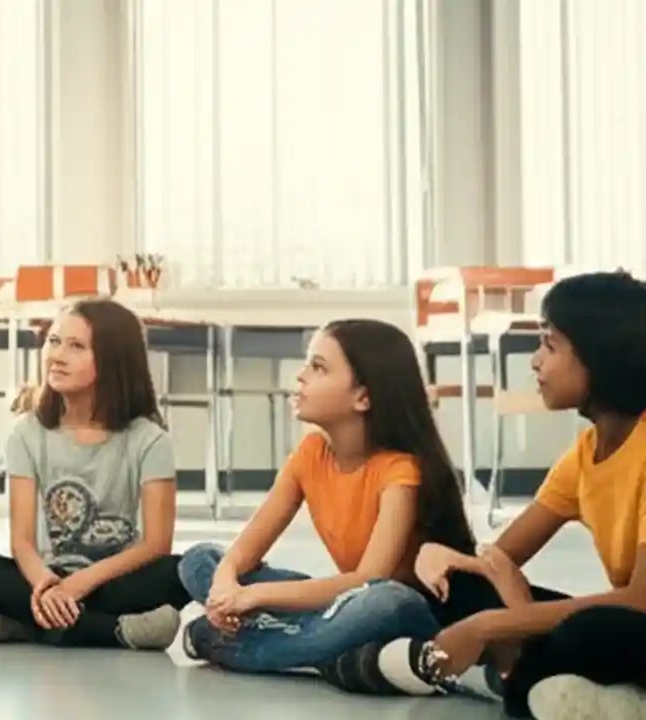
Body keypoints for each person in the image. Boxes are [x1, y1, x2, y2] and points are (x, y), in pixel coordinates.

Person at [356, 272, 646, 720]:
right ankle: (559, 688)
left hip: (632, 621)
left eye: (549, 345)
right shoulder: (588, 452)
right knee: (460, 589)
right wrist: (441, 556)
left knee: (588, 632)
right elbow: (498, 560)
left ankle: (529, 679)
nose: (534, 361)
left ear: (600, 357)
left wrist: (492, 624)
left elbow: (638, 601)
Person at [176, 319, 476, 688]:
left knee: (382, 600)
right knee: (198, 560)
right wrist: (226, 585)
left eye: (318, 367)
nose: (300, 376)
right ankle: (340, 658)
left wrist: (251, 596)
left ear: (363, 397)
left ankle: (227, 642)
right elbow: (244, 552)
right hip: (340, 606)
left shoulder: (401, 472)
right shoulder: (310, 453)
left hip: (401, 612)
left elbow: (369, 579)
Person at [0, 298, 190, 651]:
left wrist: (78, 585)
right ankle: (114, 630)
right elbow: (22, 542)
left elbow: (156, 545)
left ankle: (18, 623)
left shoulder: (149, 439)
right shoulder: (27, 433)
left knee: (178, 572)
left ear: (114, 359)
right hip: (45, 576)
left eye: (76, 346)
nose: (56, 355)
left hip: (111, 579)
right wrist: (47, 583)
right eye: (53, 341)